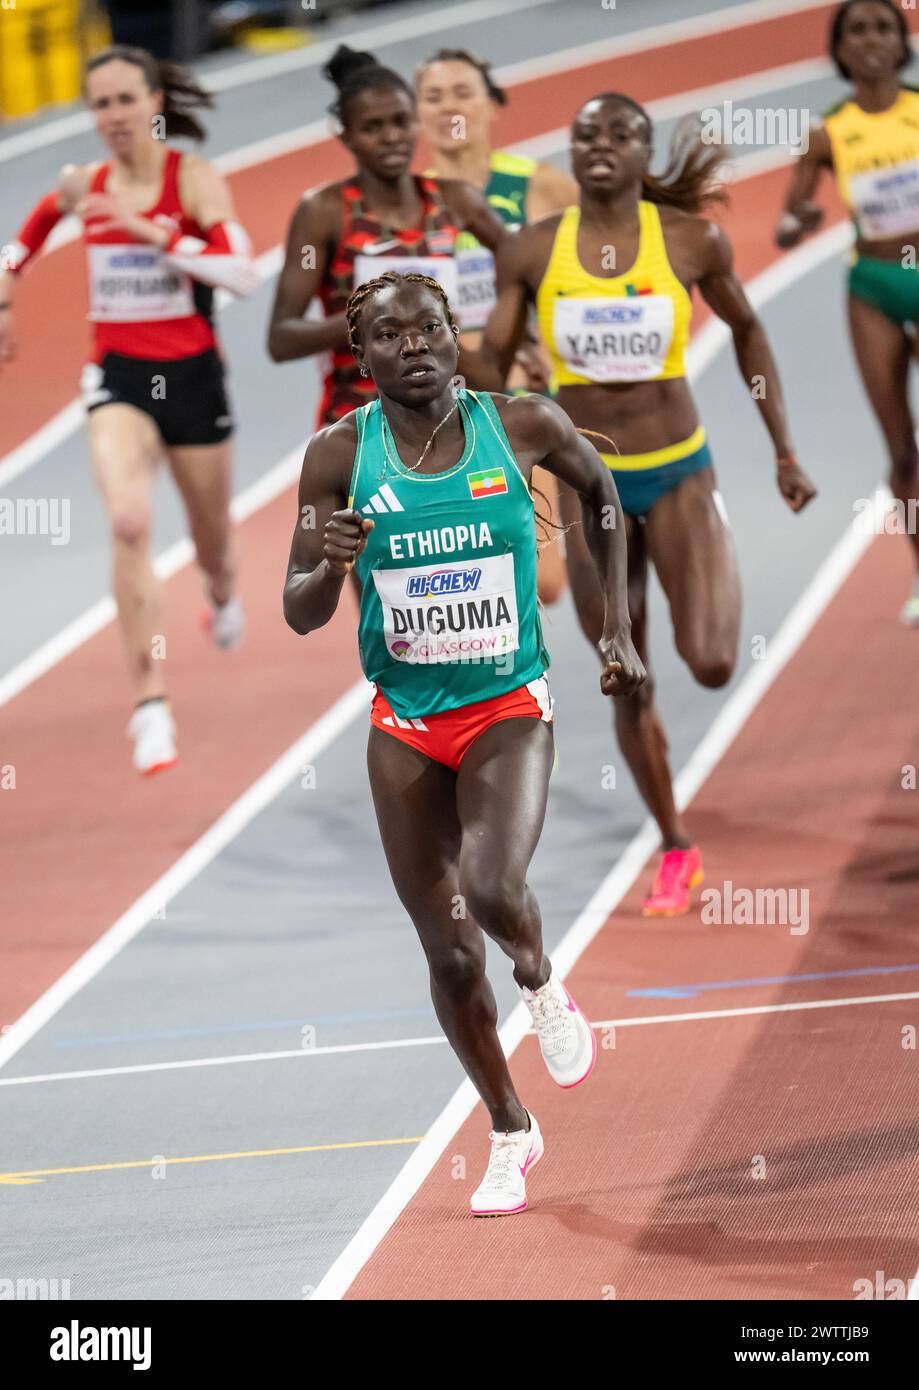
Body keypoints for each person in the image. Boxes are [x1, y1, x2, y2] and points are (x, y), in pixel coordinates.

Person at [283, 271, 644, 1215]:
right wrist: (328, 564)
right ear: (359, 359)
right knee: (445, 954)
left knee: (490, 888)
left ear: (454, 334)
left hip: (505, 707)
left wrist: (614, 628)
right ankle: (509, 1130)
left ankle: (540, 980)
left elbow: (603, 495)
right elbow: (299, 613)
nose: (413, 345)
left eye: (429, 327)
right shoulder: (336, 454)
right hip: (403, 723)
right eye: (389, 335)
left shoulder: (517, 424)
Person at [469, 93, 817, 917]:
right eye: (583, 132)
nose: (599, 145)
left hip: (678, 473)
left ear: (640, 151)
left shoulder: (691, 241)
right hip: (589, 485)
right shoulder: (527, 251)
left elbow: (749, 329)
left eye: (618, 134)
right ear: (573, 149)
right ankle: (674, 841)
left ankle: (710, 539)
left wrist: (782, 447)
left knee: (711, 661)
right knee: (624, 674)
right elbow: (488, 361)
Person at [0, 45, 259, 775]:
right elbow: (25, 238)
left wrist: (154, 233)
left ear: (153, 103)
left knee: (212, 544)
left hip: (193, 381)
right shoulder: (84, 186)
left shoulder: (193, 179)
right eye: (99, 104)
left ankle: (222, 586)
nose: (113, 117)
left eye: (124, 100)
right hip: (117, 379)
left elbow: (240, 272)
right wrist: (6, 291)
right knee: (128, 520)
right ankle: (149, 703)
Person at [415, 46, 579, 605]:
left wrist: (546, 342)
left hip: (520, 396)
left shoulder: (540, 187)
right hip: (439, 408)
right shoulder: (410, 203)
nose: (448, 106)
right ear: (418, 114)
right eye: (433, 97)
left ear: (491, 103)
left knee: (546, 581)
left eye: (463, 92)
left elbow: (581, 284)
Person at [776, 0, 919, 624]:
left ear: (901, 40)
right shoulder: (828, 132)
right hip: (874, 288)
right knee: (904, 452)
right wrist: (796, 222)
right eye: (856, 29)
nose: (869, 39)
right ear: (840, 49)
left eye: (882, 27)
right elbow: (786, 225)